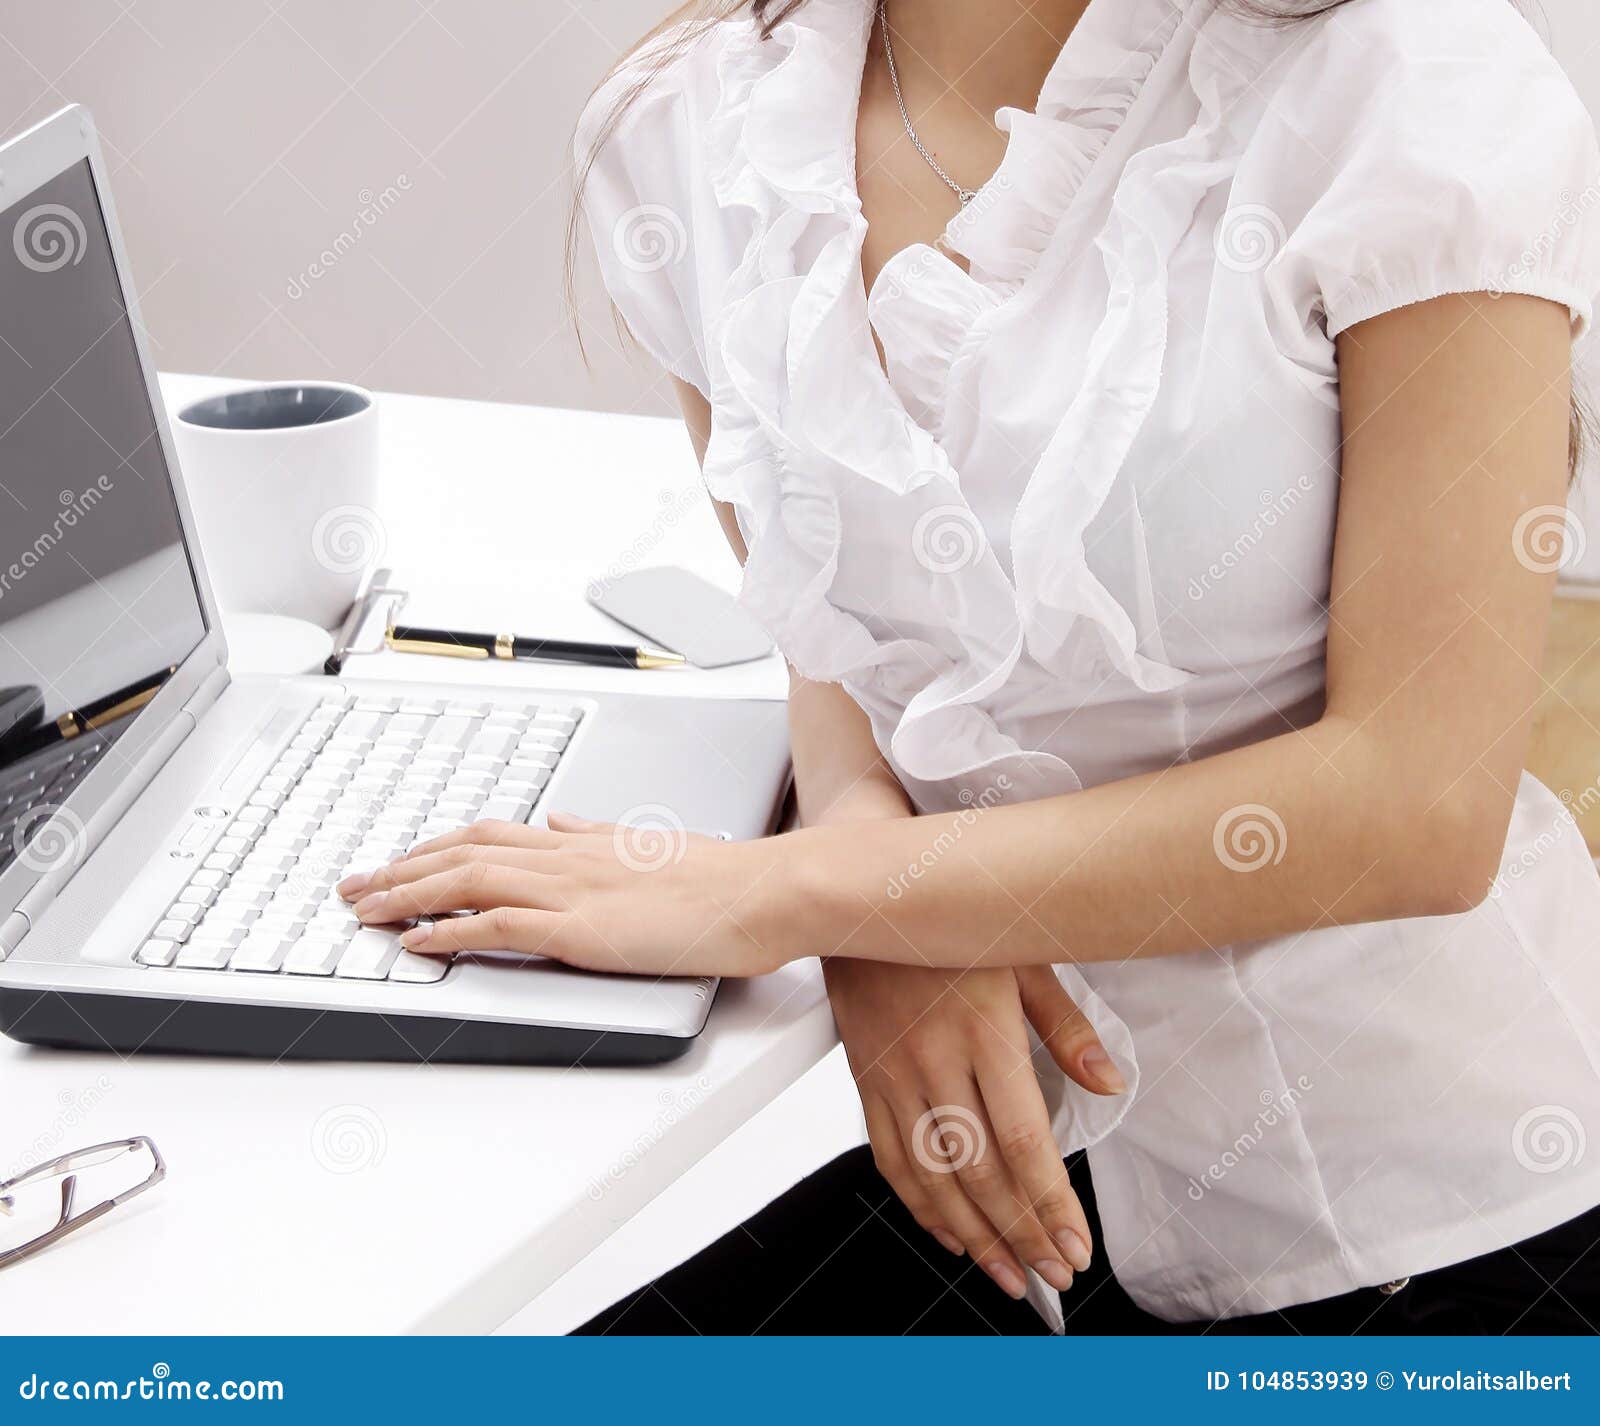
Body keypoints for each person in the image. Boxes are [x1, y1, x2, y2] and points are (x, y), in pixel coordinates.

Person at [340, 0, 1600, 1333]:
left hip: (1428, 1225)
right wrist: (868, 865)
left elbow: (1417, 802)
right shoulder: (681, 130)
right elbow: (837, 633)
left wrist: (805, 895)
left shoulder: (1417, 88)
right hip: (1013, 1198)